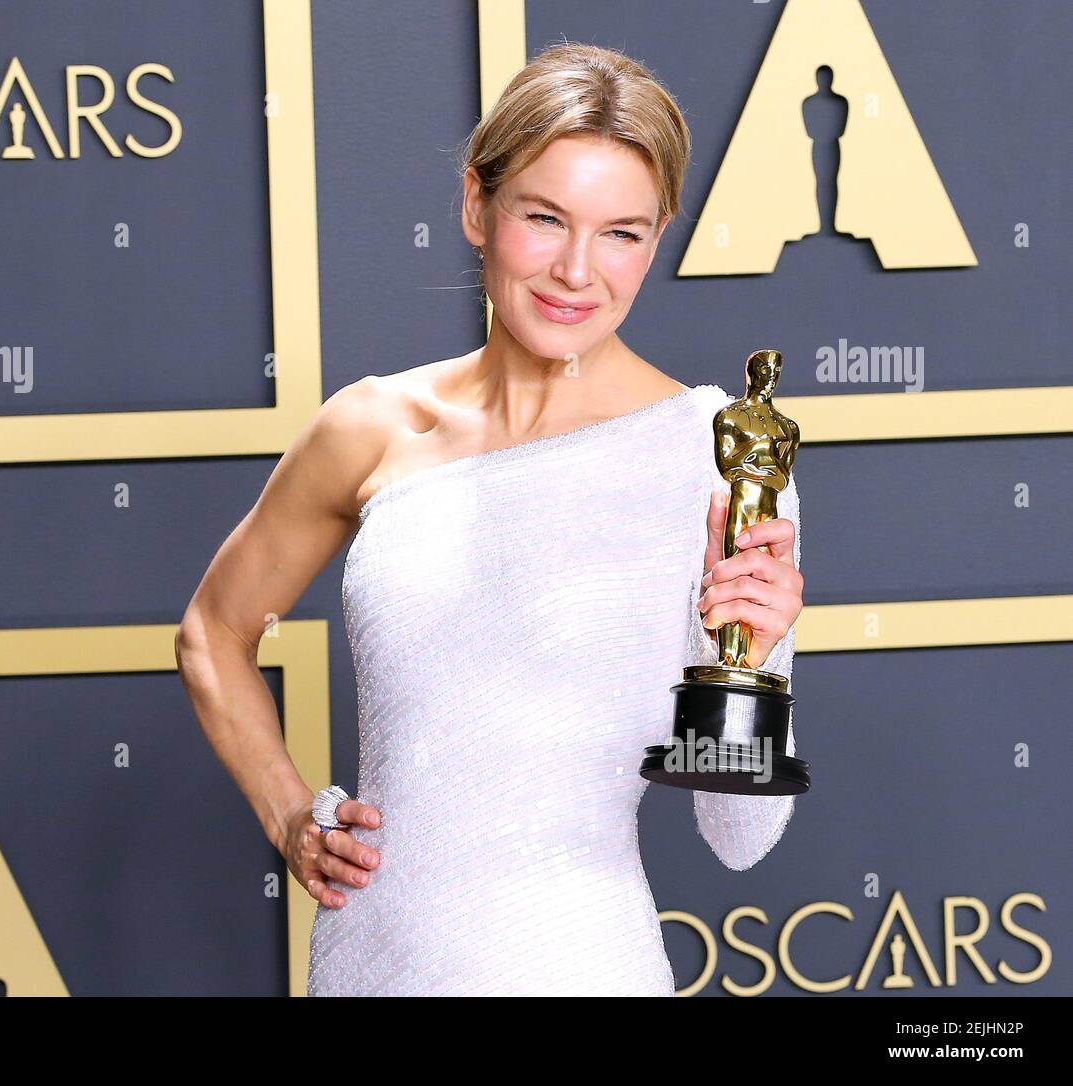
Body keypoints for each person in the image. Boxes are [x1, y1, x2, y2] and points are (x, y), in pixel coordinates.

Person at [174, 41, 805, 996]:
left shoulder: (714, 454)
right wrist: (290, 813)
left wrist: (755, 655)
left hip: (583, 964)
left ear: (659, 238)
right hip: (371, 964)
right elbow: (213, 632)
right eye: (544, 218)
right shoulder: (371, 428)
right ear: (478, 205)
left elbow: (740, 837)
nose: (576, 270)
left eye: (622, 233)